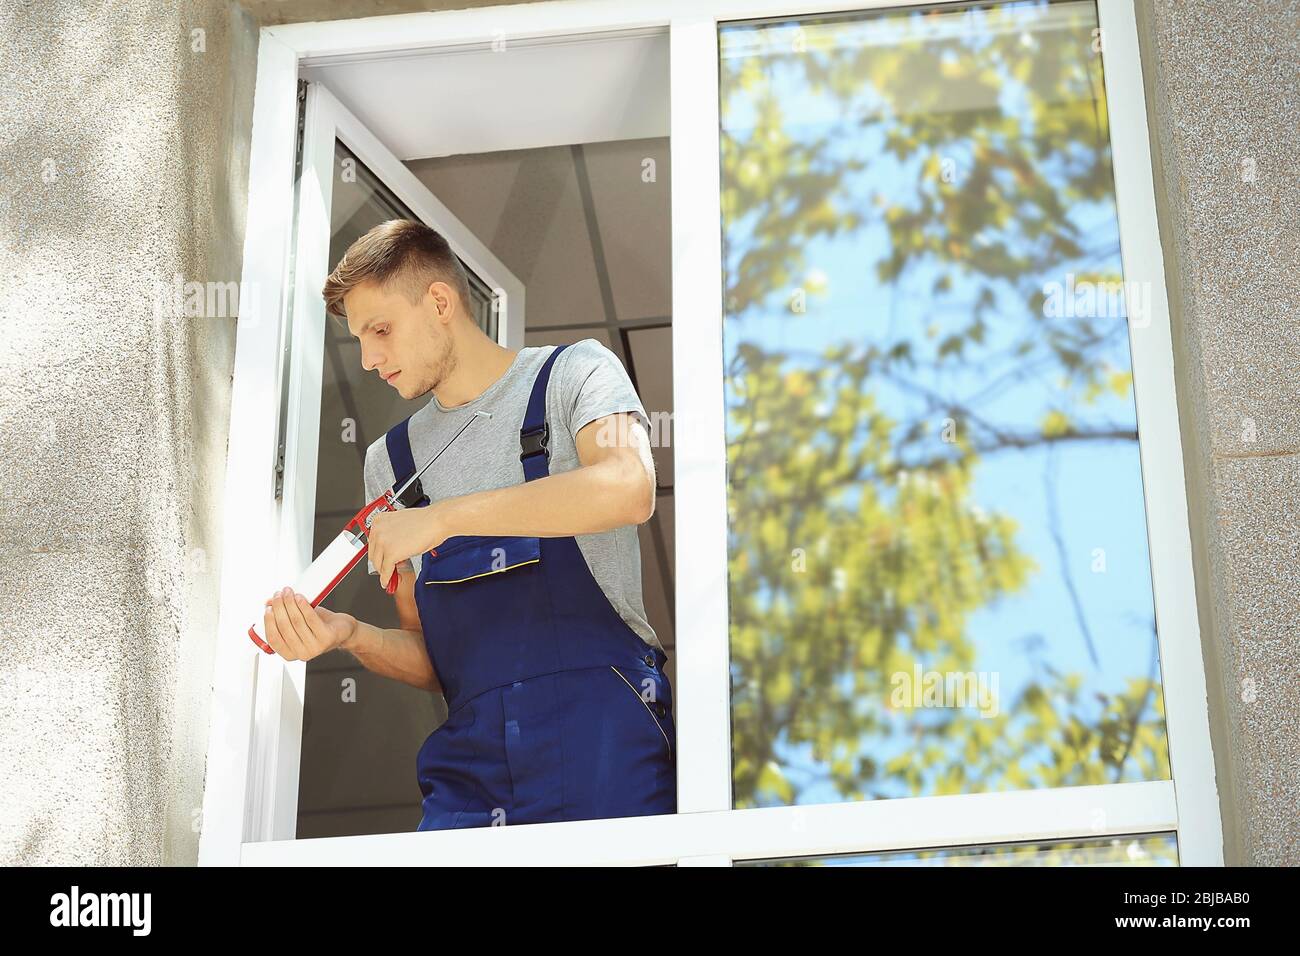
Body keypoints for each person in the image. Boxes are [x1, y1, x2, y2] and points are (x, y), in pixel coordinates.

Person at [258, 219, 675, 831]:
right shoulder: (391, 465)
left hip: (601, 738)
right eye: (360, 341)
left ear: (440, 302)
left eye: (381, 330)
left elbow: (629, 487)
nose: (371, 359)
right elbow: (436, 660)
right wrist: (347, 633)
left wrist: (442, 521)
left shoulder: (576, 374)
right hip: (472, 771)